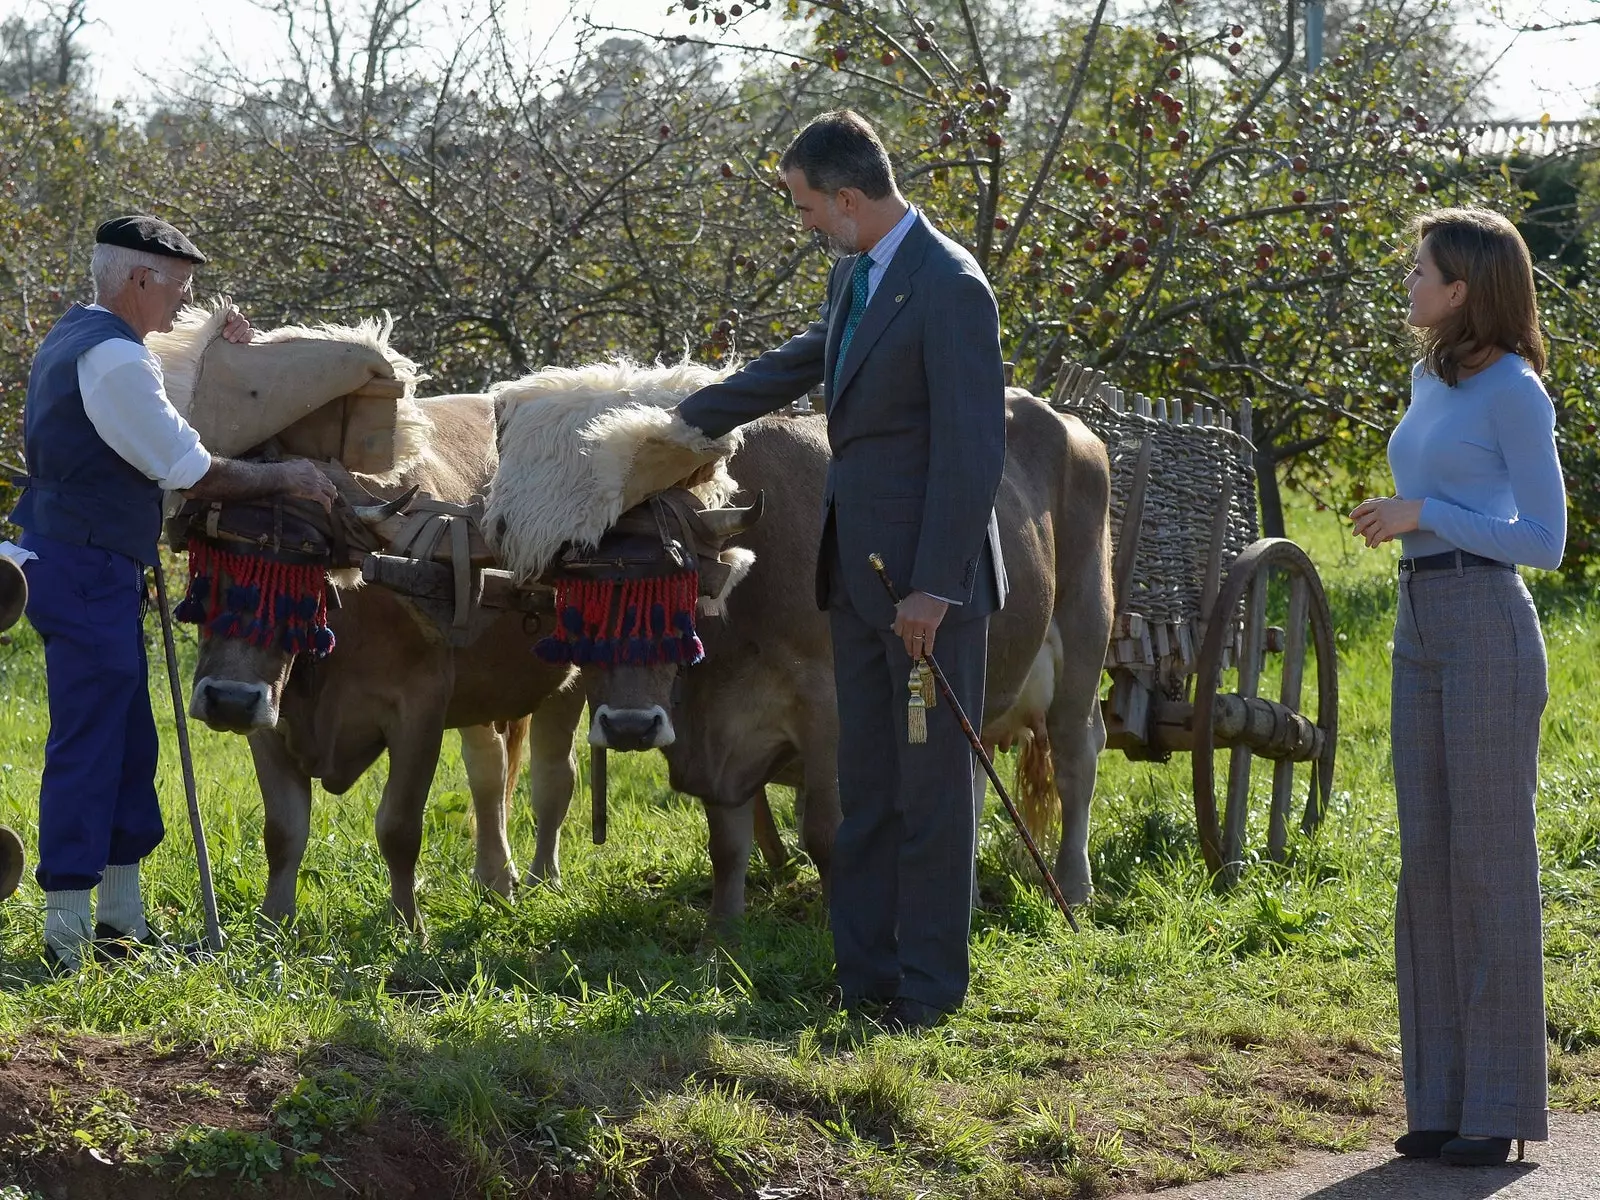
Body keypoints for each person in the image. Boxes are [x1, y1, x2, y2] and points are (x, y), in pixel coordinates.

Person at [674, 111, 1007, 1031]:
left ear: (850, 197)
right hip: (854, 582)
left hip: (926, 596)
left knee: (931, 796)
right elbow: (799, 362)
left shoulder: (952, 287)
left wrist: (934, 588)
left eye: (809, 206)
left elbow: (973, 454)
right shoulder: (855, 273)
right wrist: (681, 418)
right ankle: (864, 980)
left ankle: (929, 992)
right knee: (862, 790)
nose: (807, 222)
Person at [11, 214, 339, 971]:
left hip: (88, 559)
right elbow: (185, 465)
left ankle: (121, 923)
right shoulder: (116, 363)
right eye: (178, 289)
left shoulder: (82, 335)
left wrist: (221, 342)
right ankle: (65, 935)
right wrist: (286, 476)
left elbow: (154, 396)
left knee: (130, 741)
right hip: (87, 567)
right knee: (91, 743)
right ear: (138, 280)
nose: (179, 303)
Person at [1350, 207, 1565, 1166]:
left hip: (1487, 621)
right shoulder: (1427, 377)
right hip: (1416, 623)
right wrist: (1411, 520)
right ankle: (1439, 1097)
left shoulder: (1518, 391)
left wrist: (1425, 511)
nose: (1409, 279)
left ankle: (1501, 1104)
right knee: (1427, 861)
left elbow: (1546, 543)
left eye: (1421, 267)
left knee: (1489, 863)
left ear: (1465, 287)